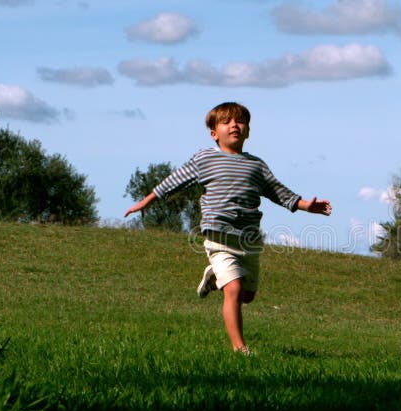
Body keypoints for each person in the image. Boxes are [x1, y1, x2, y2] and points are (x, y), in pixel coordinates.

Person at [125, 101, 332, 355]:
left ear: (248, 131)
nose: (234, 125)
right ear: (214, 133)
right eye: (226, 121)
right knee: (233, 290)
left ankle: (214, 275)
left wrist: (305, 205)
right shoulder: (205, 159)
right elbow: (175, 180)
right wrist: (147, 200)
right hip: (219, 237)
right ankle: (240, 349)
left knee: (247, 296)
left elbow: (278, 192)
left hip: (249, 240)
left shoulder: (257, 166)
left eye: (240, 121)